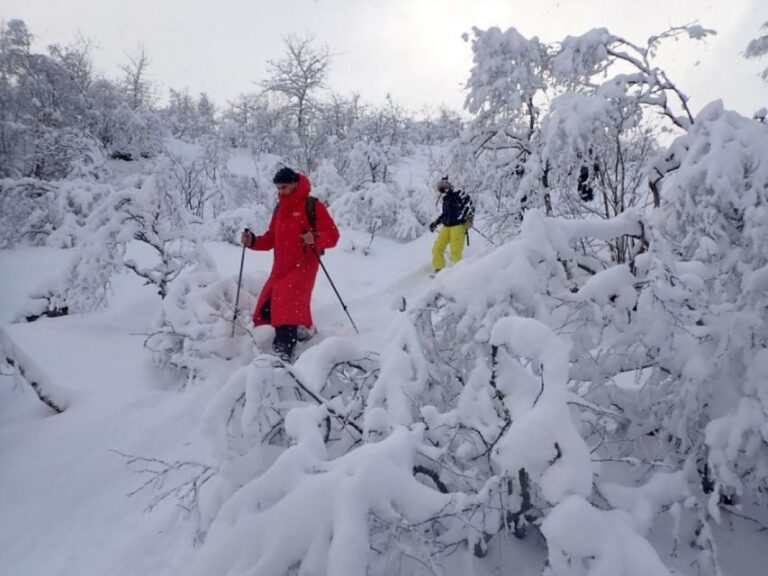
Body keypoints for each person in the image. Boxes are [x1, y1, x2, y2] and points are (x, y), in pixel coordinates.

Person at [241, 167, 339, 362]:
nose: (280, 192)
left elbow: (333, 235)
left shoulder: (312, 205)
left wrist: (315, 237)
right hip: (280, 268)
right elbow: (271, 238)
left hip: (304, 265)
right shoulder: (279, 208)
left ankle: (283, 352)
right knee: (268, 306)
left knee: (286, 306)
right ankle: (302, 330)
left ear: (295, 184)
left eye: (284, 187)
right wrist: (252, 241)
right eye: (278, 188)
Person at [429, 177, 474, 274]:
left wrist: (469, 218)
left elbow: (470, 206)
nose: (444, 190)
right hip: (446, 226)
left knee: (455, 252)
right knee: (437, 249)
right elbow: (444, 214)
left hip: (458, 226)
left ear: (450, 186)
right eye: (441, 189)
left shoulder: (459, 195)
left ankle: (460, 274)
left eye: (445, 187)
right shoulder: (446, 199)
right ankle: (439, 272)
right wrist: (435, 223)